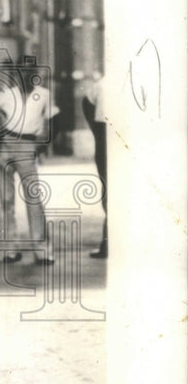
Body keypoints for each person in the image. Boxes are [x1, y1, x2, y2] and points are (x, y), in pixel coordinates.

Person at [0, 63, 59, 265]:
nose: (26, 74)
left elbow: (52, 120)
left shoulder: (44, 95)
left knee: (33, 198)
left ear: (36, 74)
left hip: (28, 144)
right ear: (16, 73)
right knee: (6, 199)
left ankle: (42, 251)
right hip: (5, 144)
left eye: (31, 70)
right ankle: (10, 250)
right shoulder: (6, 94)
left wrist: (43, 143)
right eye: (22, 70)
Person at [82, 73, 107, 258]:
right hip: (106, 136)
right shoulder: (102, 84)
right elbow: (87, 102)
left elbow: (86, 103)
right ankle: (108, 243)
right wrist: (96, 132)